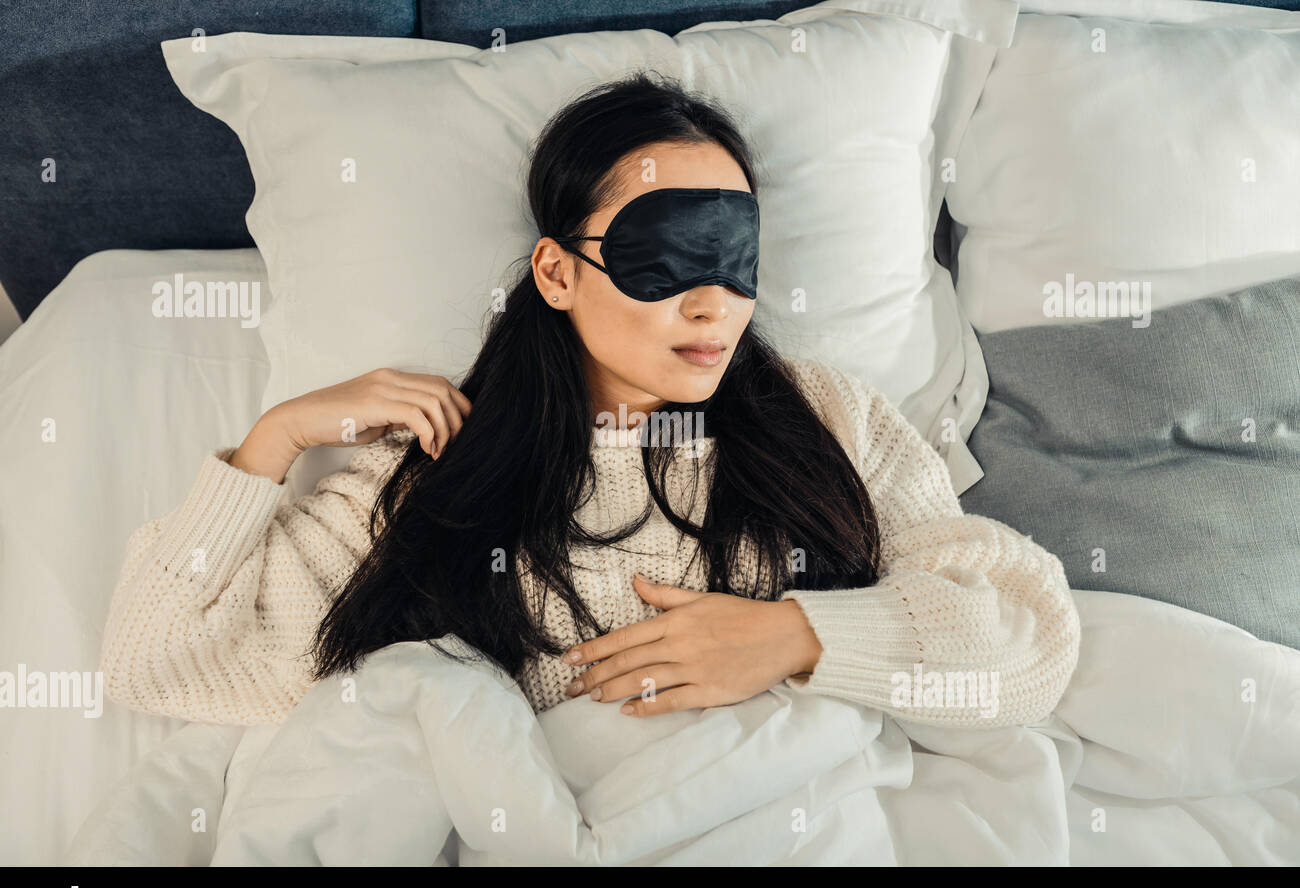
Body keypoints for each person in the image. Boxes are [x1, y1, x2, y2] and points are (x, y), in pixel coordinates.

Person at [100, 70, 1080, 729]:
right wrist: (277, 437)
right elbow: (158, 659)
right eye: (668, 253)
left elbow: (1026, 635)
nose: (714, 301)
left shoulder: (826, 418)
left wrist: (797, 635)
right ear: (557, 273)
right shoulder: (444, 466)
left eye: (734, 261)